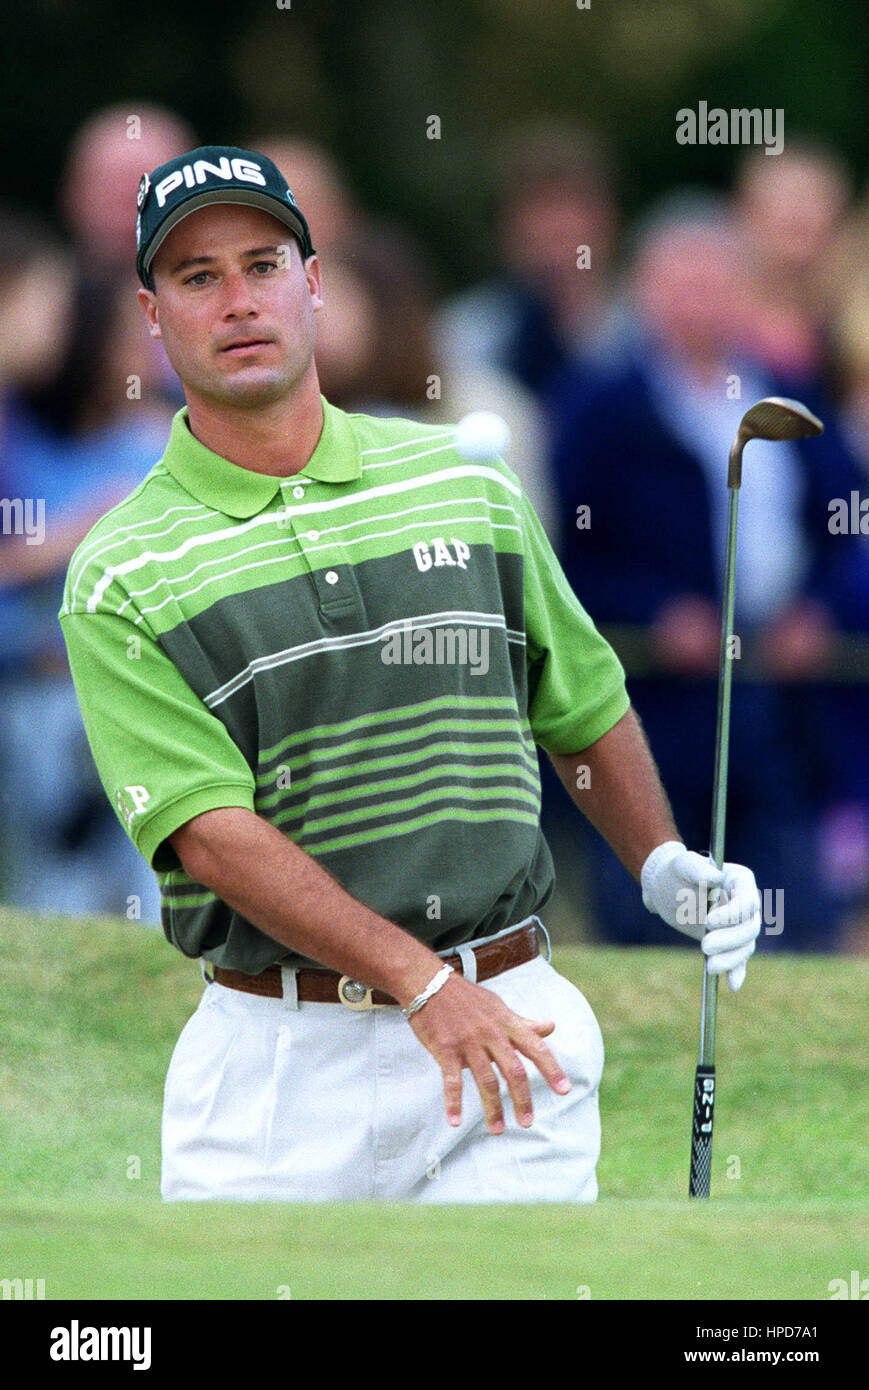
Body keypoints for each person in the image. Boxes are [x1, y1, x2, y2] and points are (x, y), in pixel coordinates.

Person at [59, 145, 762, 1203]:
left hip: (508, 1022)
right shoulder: (119, 569)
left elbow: (575, 700)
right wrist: (419, 983)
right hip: (273, 1069)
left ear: (314, 283)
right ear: (153, 316)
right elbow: (209, 832)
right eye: (198, 277)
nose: (239, 301)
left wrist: (658, 858)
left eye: (263, 265)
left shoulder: (460, 481)